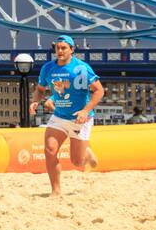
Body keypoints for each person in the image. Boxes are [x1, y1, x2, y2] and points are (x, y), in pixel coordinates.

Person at [28, 35, 103, 197]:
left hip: (79, 119)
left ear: (71, 50)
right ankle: (56, 191)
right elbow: (44, 89)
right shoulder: (48, 68)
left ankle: (87, 153)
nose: (60, 51)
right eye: (58, 48)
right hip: (59, 117)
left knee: (76, 162)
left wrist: (84, 111)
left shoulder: (81, 69)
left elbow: (99, 90)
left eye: (64, 48)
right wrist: (36, 101)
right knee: (49, 150)